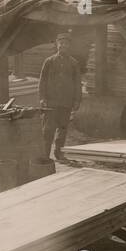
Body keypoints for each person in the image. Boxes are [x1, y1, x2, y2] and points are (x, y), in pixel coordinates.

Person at [38, 31, 83, 162]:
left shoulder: (74, 63)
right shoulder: (49, 62)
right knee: (47, 130)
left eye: (66, 43)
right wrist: (42, 98)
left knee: (62, 130)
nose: (63, 45)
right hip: (50, 103)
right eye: (61, 43)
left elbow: (77, 83)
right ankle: (45, 154)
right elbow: (42, 81)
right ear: (57, 44)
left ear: (69, 46)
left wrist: (76, 100)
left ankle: (59, 153)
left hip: (66, 102)